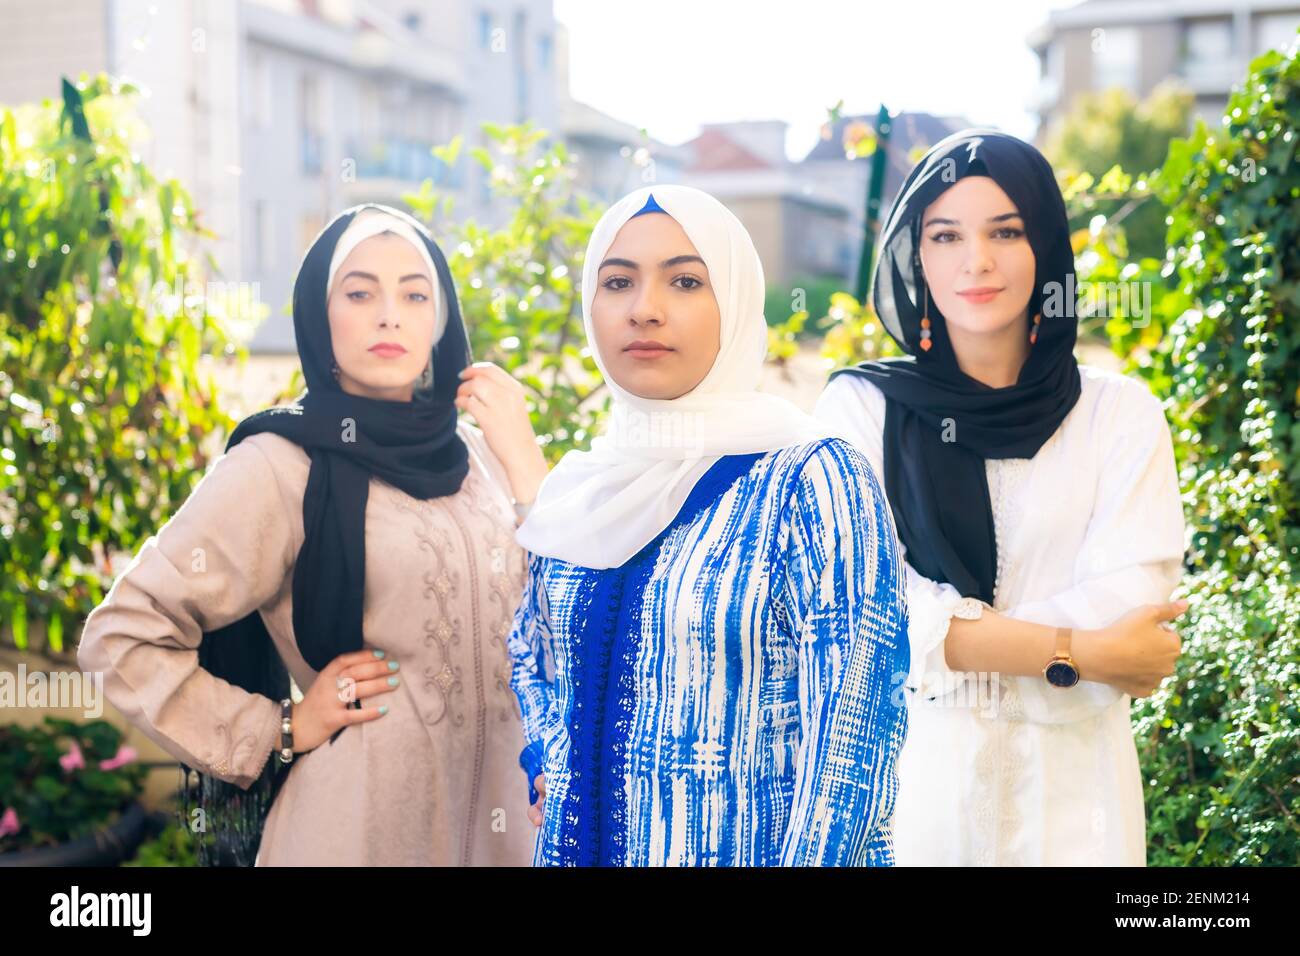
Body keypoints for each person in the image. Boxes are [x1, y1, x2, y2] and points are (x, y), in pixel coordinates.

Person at [77, 203, 548, 865]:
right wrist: (282, 726)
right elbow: (121, 636)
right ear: (318, 317)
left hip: (512, 842)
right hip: (354, 837)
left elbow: (566, 635)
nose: (390, 314)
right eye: (360, 293)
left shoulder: (486, 456)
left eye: (416, 294)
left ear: (440, 321)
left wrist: (532, 476)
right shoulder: (280, 465)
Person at [507, 184, 909, 866]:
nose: (645, 310)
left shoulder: (809, 480)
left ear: (735, 299)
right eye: (618, 282)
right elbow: (534, 650)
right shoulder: (587, 487)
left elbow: (850, 757)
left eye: (686, 281)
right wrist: (550, 749)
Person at [814, 130, 1186, 866]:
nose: (975, 261)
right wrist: (1083, 653)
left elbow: (1133, 602)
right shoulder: (861, 409)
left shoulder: (1119, 413)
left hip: (1079, 808)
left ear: (1046, 248)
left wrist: (952, 642)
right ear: (916, 256)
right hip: (915, 799)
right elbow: (866, 619)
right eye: (946, 235)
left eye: (1006, 232)